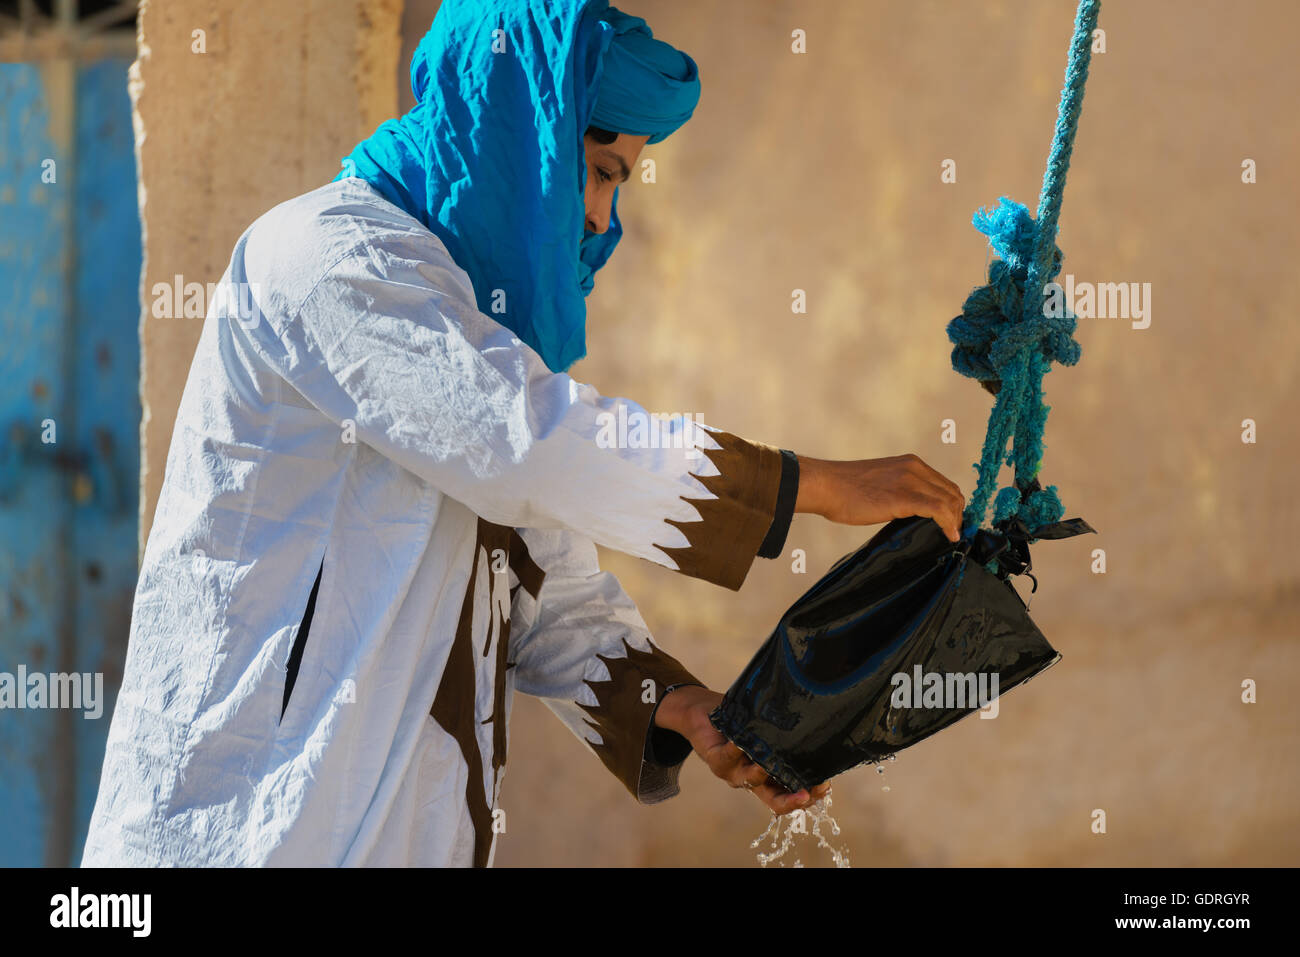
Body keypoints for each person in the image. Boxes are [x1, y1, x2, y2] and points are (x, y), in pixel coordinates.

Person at [82, 0, 965, 867]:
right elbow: (521, 447)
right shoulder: (324, 257)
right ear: (526, 131)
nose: (600, 218)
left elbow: (545, 588)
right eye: (601, 169)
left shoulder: (469, 328)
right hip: (237, 838)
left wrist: (679, 705)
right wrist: (807, 486)